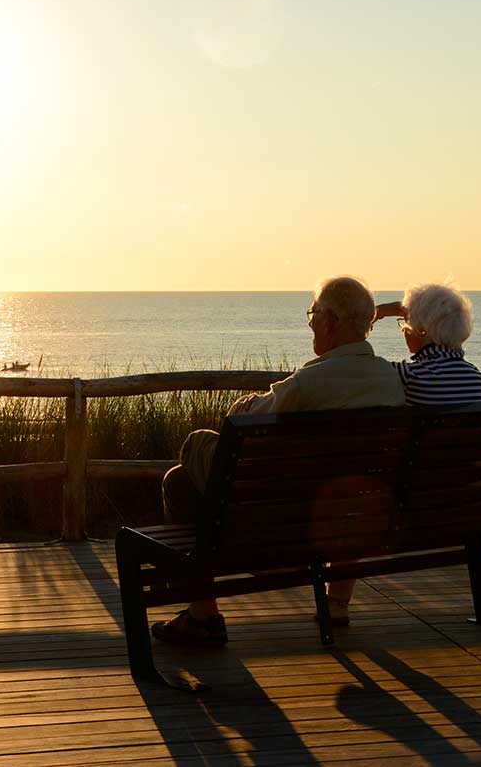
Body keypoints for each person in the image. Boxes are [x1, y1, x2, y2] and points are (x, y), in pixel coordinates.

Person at [153, 275, 405, 646]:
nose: (310, 323)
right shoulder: (390, 380)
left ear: (331, 322)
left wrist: (245, 404)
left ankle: (203, 613)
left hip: (276, 521)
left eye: (312, 314)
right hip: (350, 516)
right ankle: (336, 602)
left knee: (185, 466)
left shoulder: (306, 384)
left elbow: (247, 419)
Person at [323, 281, 481, 616]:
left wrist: (376, 314)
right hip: (459, 499)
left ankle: (337, 602)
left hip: (406, 502)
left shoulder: (402, 376)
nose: (403, 331)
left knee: (352, 493)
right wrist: (402, 311)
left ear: (423, 330)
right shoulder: (475, 379)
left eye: (406, 325)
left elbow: (348, 368)